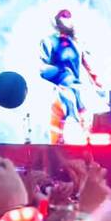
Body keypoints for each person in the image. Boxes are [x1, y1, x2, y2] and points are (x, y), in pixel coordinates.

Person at [39, 10, 104, 145]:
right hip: (57, 87)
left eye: (69, 17)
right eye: (63, 16)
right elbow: (42, 68)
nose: (67, 20)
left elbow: (88, 65)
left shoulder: (76, 43)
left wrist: (98, 81)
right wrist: (61, 75)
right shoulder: (49, 41)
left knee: (85, 120)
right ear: (57, 20)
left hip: (76, 88)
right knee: (56, 129)